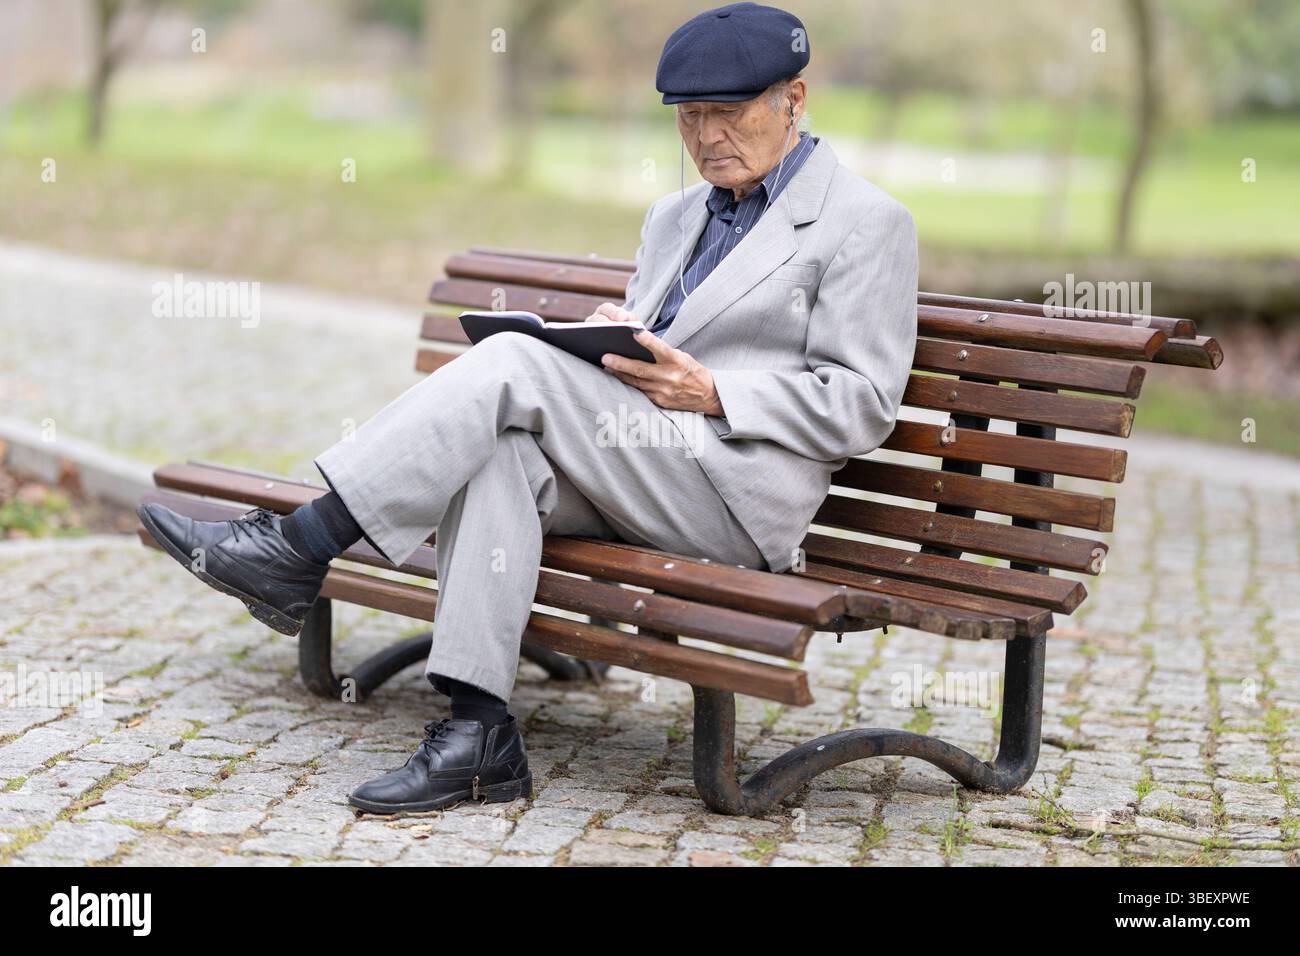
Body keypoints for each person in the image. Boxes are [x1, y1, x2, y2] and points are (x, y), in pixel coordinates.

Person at [137, 1, 918, 815]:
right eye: (689, 117)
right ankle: (480, 738)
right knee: (500, 447)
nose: (706, 136)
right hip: (642, 465)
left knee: (513, 363)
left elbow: (862, 404)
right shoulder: (676, 216)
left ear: (793, 100)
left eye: (729, 113)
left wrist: (713, 389)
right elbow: (659, 344)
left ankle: (300, 545)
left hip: (736, 502)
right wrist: (622, 341)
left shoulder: (865, 224)